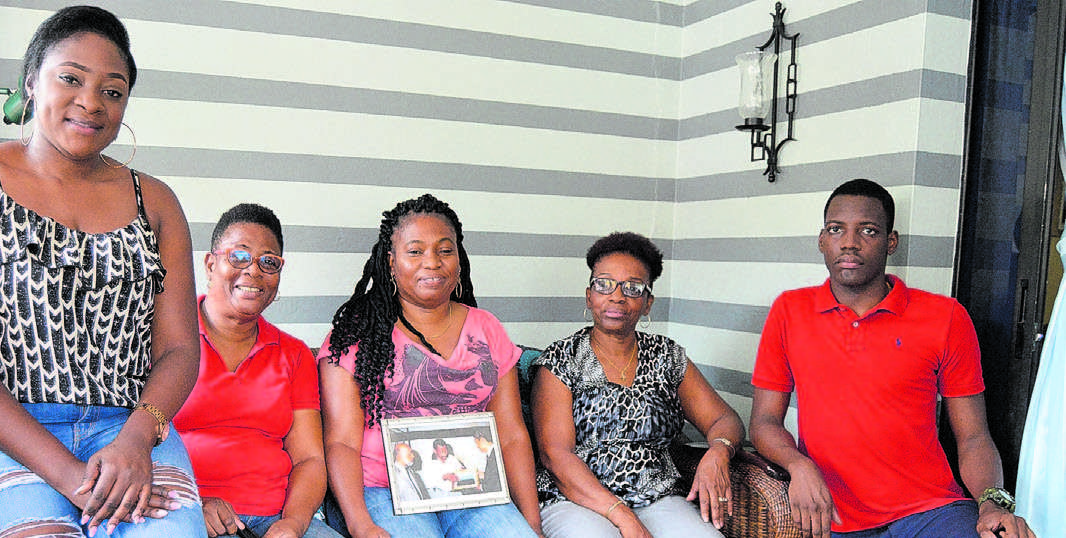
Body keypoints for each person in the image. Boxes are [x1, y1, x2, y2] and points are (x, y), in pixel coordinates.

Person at [0, 6, 206, 537]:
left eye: (113, 91)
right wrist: (70, 477)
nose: (91, 102)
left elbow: (180, 351)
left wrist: (138, 439)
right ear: (32, 84)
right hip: (4, 433)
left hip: (129, 431)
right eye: (71, 79)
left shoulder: (156, 202)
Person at [750, 178, 1038, 538]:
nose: (850, 243)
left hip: (931, 512)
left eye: (868, 231)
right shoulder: (789, 311)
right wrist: (798, 465)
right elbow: (763, 421)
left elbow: (973, 437)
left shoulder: (945, 317)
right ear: (822, 240)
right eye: (836, 229)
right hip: (835, 516)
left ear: (891, 242)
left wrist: (991, 502)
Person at [318, 194, 544, 538]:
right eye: (415, 251)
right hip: (384, 492)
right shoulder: (355, 333)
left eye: (445, 250)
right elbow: (341, 443)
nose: (433, 262)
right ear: (391, 262)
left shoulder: (487, 327)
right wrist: (360, 523)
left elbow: (512, 435)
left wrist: (531, 524)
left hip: (475, 492)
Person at [531, 231, 744, 538]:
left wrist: (719, 450)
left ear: (647, 303)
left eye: (633, 288)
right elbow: (556, 455)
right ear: (589, 295)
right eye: (604, 284)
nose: (617, 296)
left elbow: (725, 420)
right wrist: (623, 517)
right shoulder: (562, 359)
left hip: (655, 495)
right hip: (575, 499)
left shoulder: (666, 356)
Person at [172, 204, 340, 538]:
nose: (253, 271)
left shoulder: (293, 354)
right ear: (210, 263)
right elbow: (129, 441)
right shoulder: (168, 338)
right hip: (186, 515)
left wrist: (292, 523)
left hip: (274, 518)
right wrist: (189, 504)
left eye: (269, 262)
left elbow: (309, 459)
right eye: (239, 256)